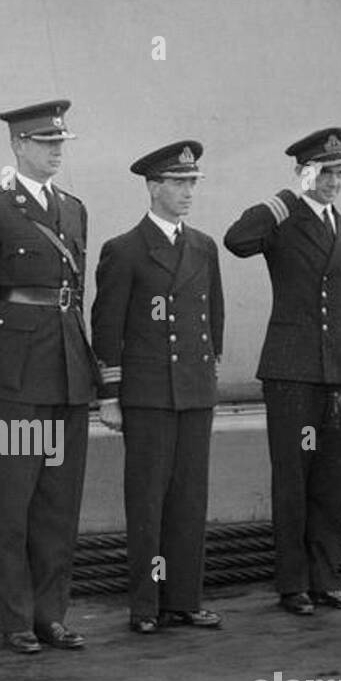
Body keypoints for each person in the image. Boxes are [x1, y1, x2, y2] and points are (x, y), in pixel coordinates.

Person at [0, 100, 95, 654]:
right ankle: (16, 618)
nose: (55, 150)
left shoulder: (75, 209)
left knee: (59, 505)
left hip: (66, 372)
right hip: (14, 379)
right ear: (17, 145)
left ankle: (50, 614)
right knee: (14, 504)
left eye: (60, 142)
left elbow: (77, 297)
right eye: (44, 142)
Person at [224, 127, 341, 616]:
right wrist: (287, 197)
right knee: (294, 478)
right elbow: (236, 239)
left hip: (337, 373)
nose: (333, 182)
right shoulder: (283, 220)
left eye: (339, 173)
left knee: (332, 479)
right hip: (292, 373)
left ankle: (327, 579)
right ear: (306, 172)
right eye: (324, 172)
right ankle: (293, 585)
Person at [92, 141, 224, 634]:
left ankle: (183, 600)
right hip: (147, 395)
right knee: (147, 503)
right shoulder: (125, 250)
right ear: (153, 187)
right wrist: (110, 393)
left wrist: (206, 377)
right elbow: (107, 327)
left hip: (193, 392)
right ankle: (146, 606)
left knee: (190, 500)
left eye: (192, 183)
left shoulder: (204, 247)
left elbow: (215, 320)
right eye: (178, 183)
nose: (188, 192)